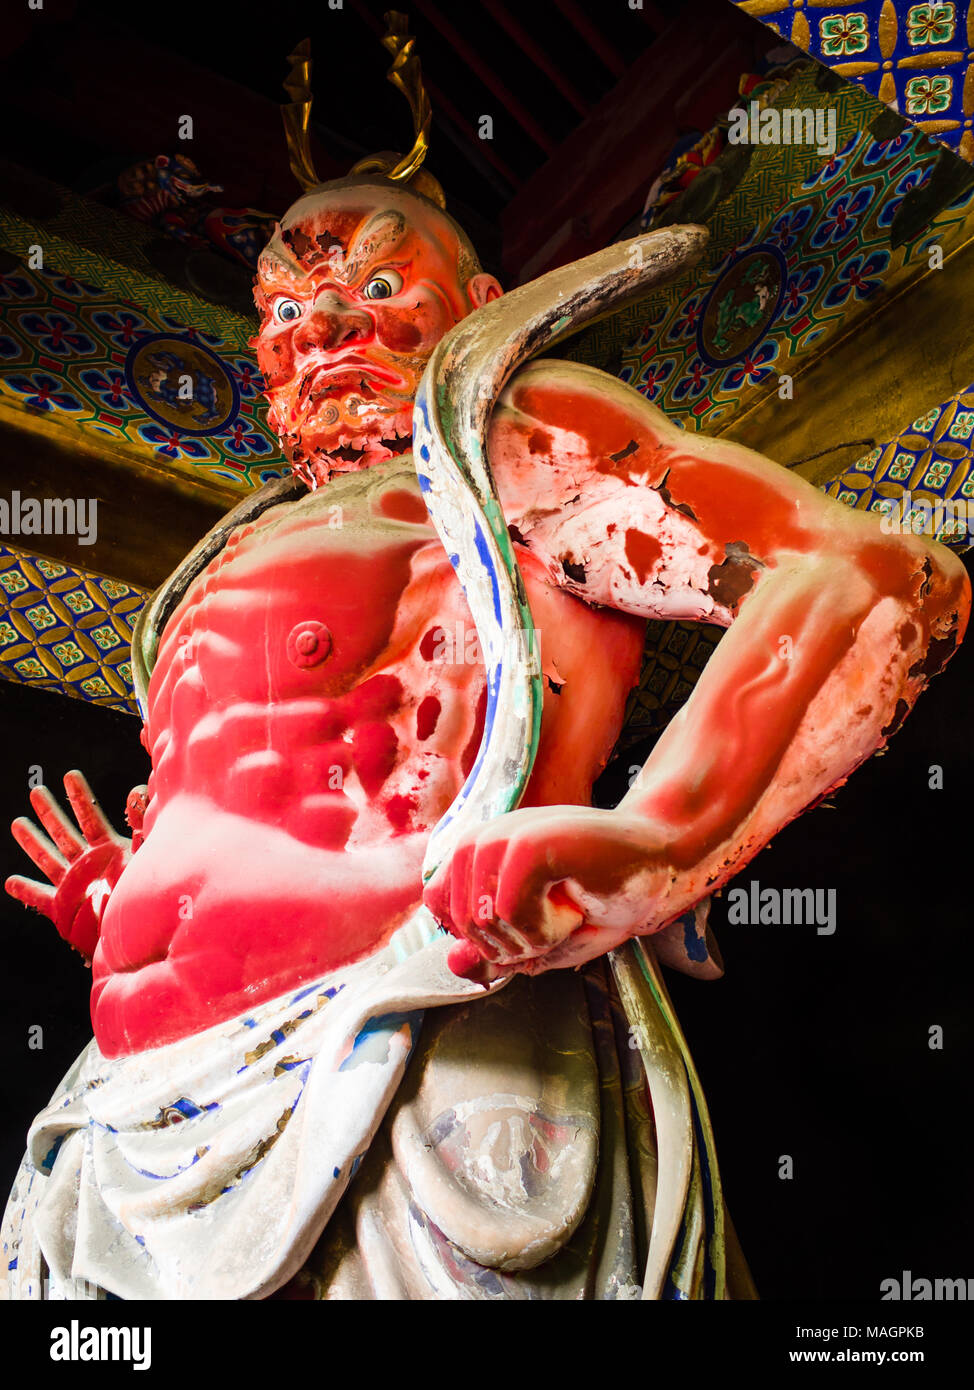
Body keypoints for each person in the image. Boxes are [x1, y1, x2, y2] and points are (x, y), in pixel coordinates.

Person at [2, 163, 968, 1300]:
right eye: (282, 307)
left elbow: (869, 574)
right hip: (126, 1104)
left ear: (474, 303)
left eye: (374, 279)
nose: (320, 322)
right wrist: (136, 906)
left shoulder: (493, 447)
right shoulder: (220, 560)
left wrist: (658, 835)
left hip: (410, 1027)